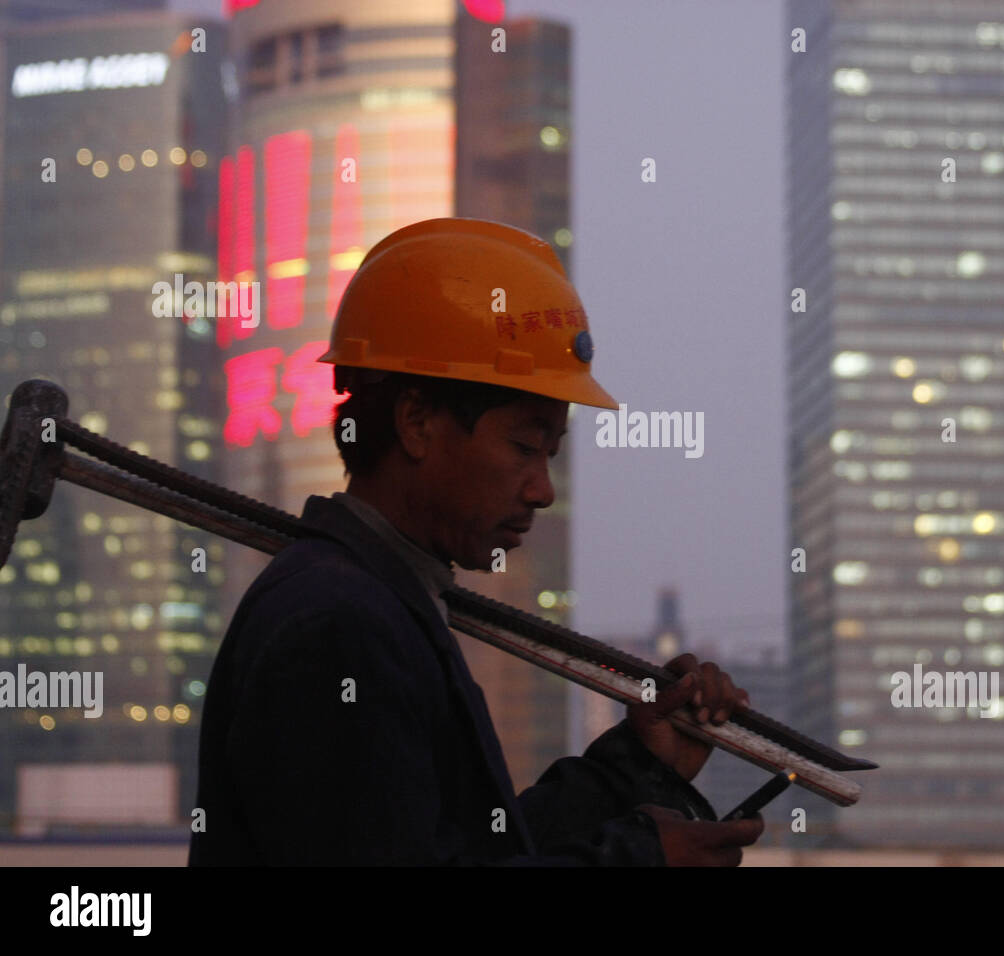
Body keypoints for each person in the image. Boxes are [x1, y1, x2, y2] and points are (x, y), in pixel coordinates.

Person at [189, 218, 764, 866]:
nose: (543, 490)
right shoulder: (340, 624)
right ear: (416, 422)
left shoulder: (376, 601)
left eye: (550, 454)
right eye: (524, 446)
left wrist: (634, 765)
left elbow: (464, 850)